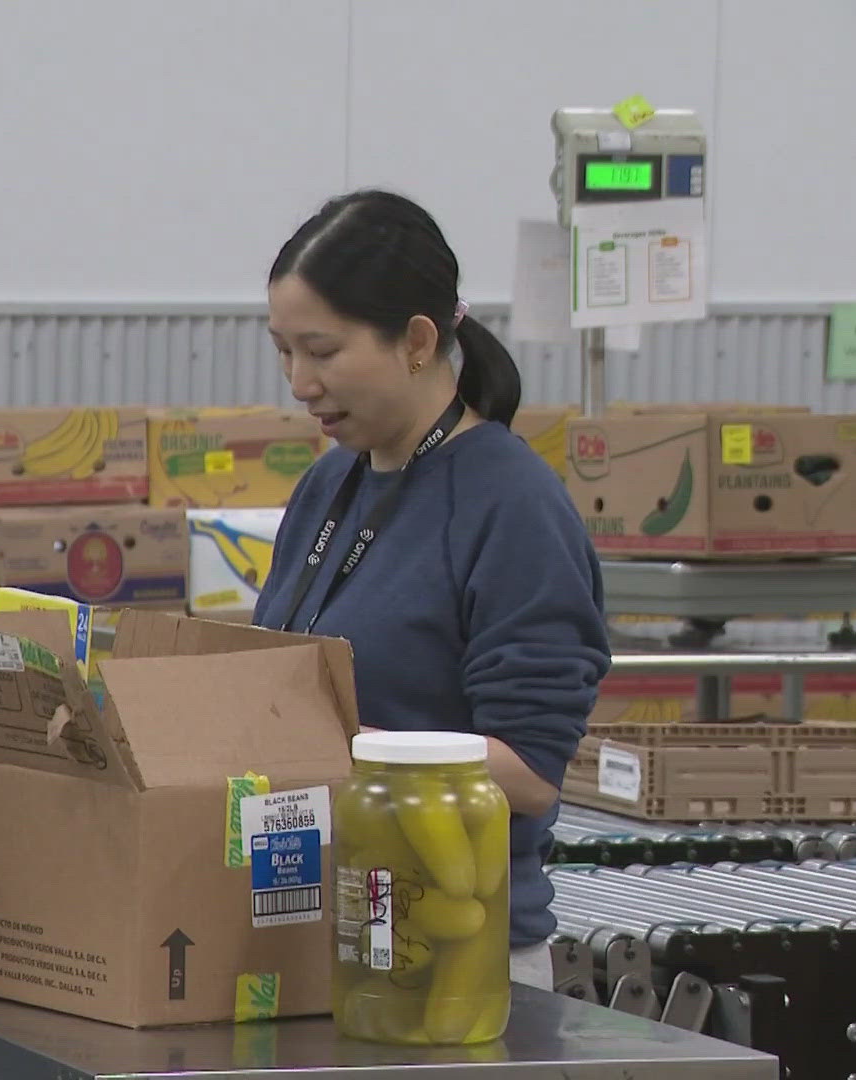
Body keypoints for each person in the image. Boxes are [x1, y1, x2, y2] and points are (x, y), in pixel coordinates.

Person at [252, 189, 611, 991]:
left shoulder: (510, 507)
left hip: (450, 957)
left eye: (323, 350)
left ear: (417, 340)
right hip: (320, 926)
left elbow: (528, 770)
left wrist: (344, 752)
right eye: (283, 351)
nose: (299, 382)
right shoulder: (328, 484)